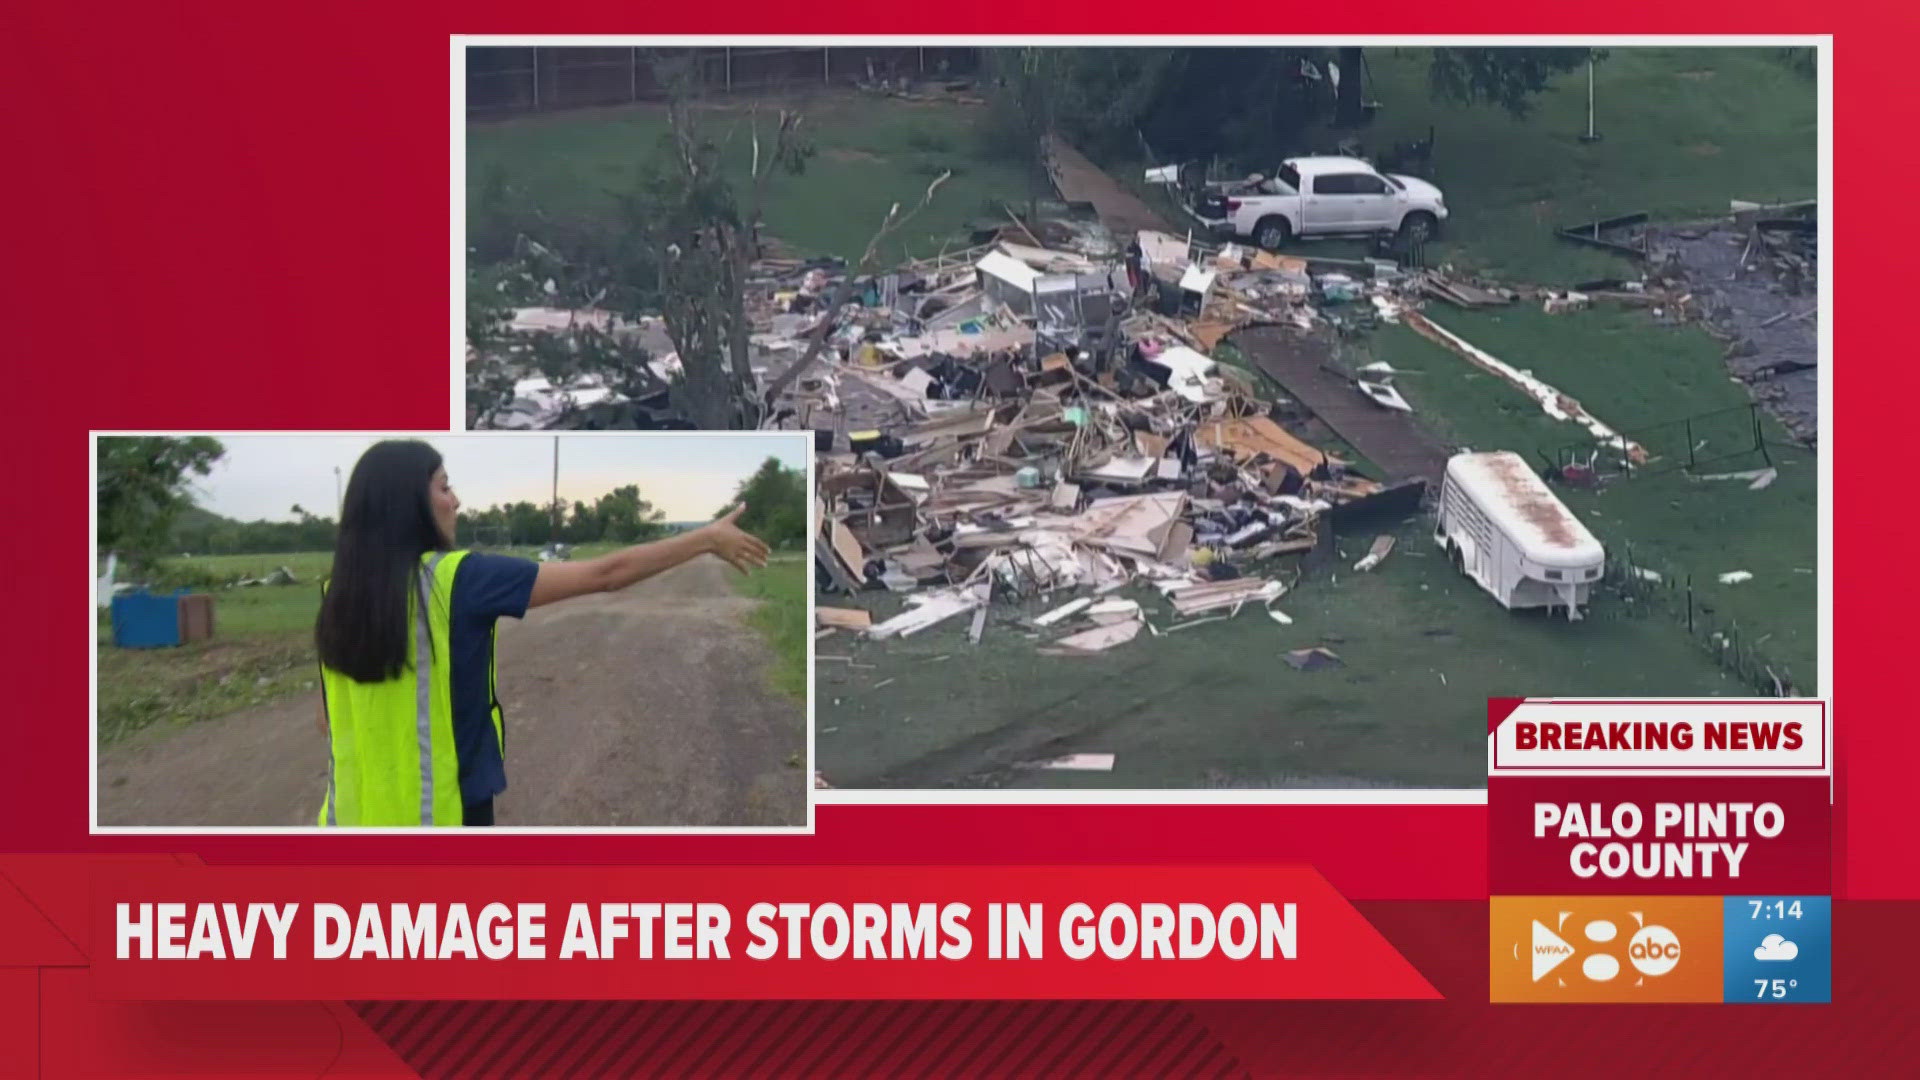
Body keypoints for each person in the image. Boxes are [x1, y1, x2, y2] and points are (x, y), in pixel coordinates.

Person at [311, 440, 770, 827]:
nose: (457, 501)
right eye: (445, 487)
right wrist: (706, 539)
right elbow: (606, 574)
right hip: (445, 817)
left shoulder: (337, 594)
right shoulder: (462, 579)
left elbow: (328, 719)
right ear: (408, 504)